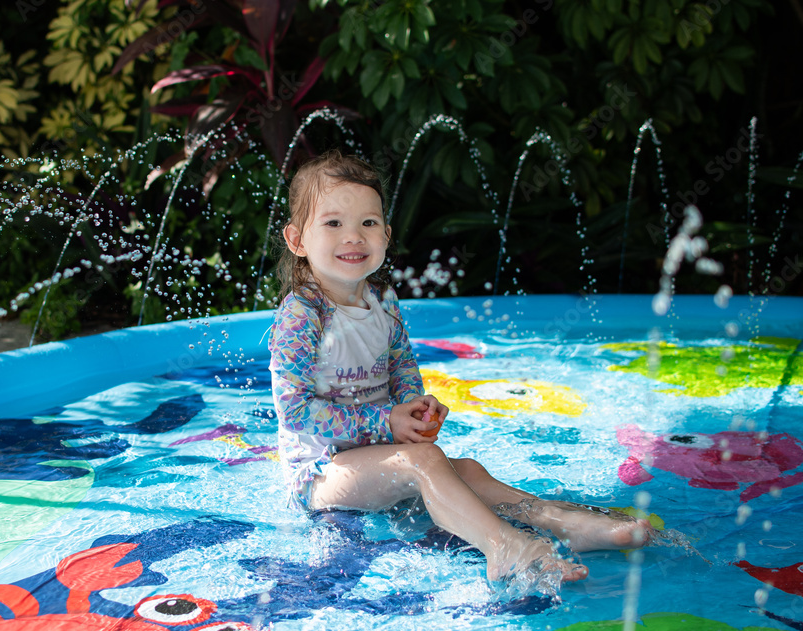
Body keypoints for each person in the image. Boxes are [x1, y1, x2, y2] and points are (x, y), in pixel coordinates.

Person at [267, 149, 651, 588]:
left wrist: (414, 406)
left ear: (387, 234)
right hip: (321, 473)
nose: (353, 236)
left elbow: (401, 365)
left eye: (368, 224)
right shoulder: (302, 315)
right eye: (333, 223)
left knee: (462, 470)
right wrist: (385, 420)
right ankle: (504, 547)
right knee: (422, 462)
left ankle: (560, 519)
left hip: (378, 451)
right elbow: (294, 411)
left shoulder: (382, 300)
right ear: (297, 240)